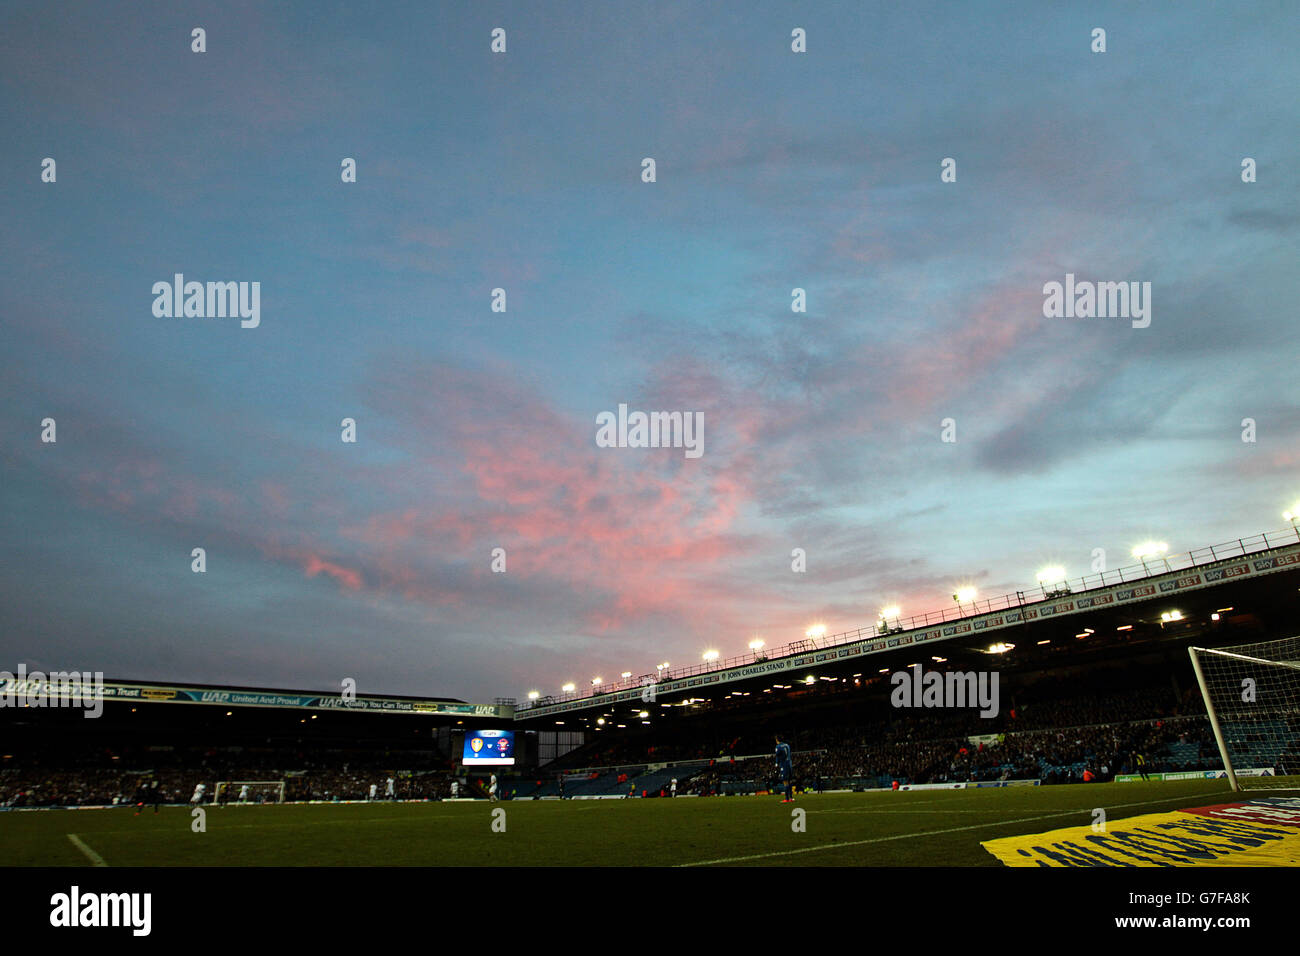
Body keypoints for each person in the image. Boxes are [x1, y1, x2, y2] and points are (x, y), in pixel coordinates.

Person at [774, 735, 794, 802]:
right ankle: (791, 798)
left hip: (784, 765)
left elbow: (777, 755)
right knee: (789, 781)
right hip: (789, 764)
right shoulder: (787, 745)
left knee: (785, 781)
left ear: (777, 740)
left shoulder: (778, 746)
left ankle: (786, 798)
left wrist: (776, 763)